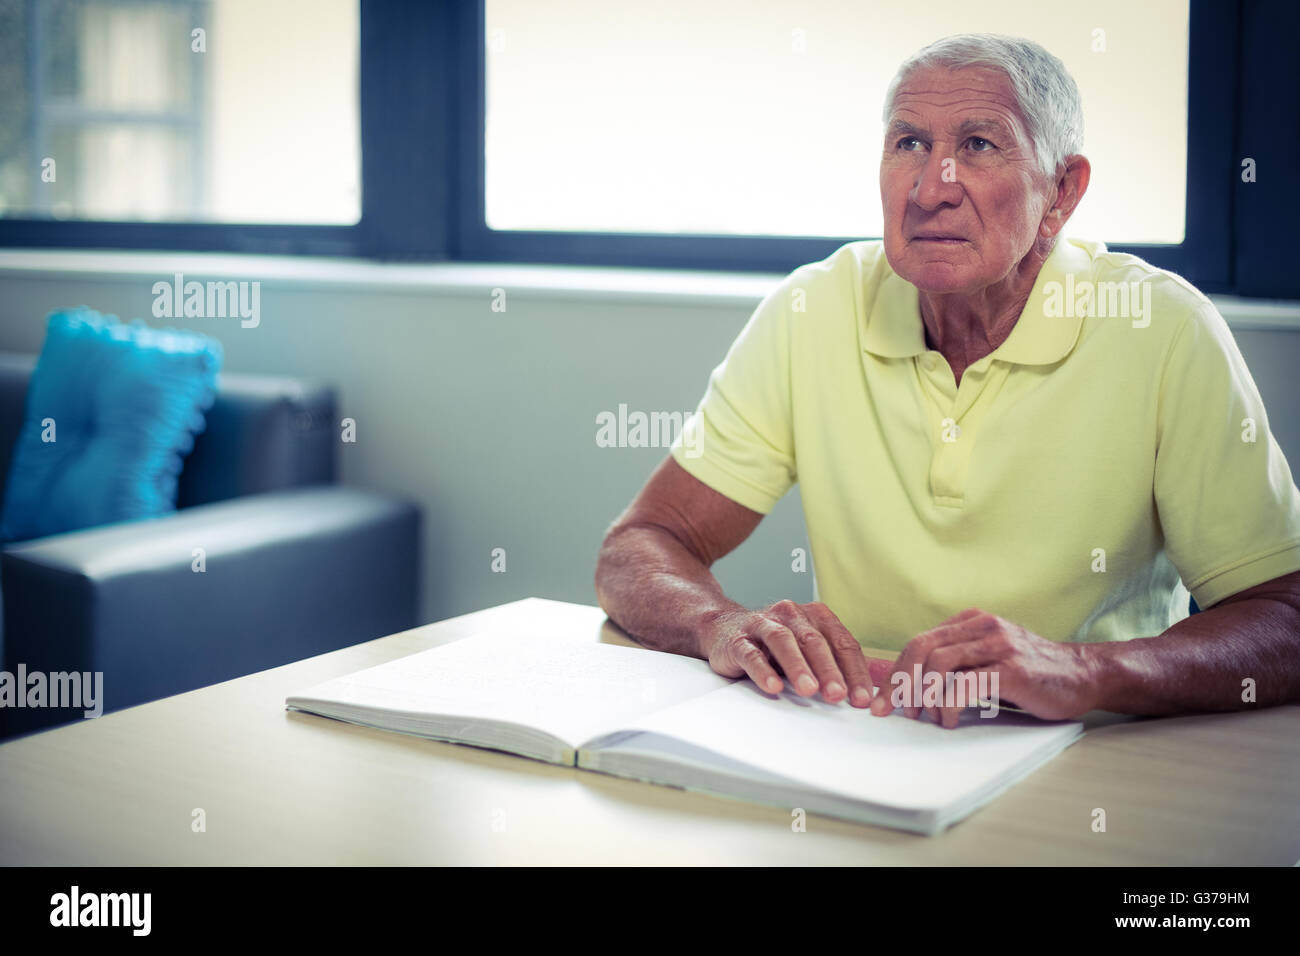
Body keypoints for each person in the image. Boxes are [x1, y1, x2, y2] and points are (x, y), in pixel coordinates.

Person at [594, 33, 1300, 729]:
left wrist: (1087, 670)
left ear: (1061, 192)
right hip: (868, 743)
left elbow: (1285, 618)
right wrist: (718, 624)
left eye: (978, 146)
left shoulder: (1163, 326)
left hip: (1100, 756)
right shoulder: (813, 308)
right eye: (909, 145)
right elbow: (641, 543)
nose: (933, 189)